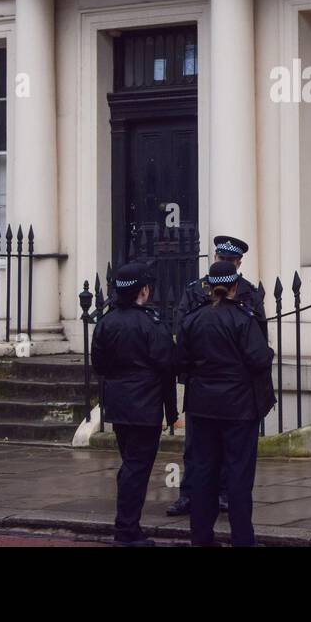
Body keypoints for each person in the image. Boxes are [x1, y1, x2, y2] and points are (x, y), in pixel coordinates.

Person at [176, 259, 275, 547]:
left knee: (203, 473)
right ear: (234, 286)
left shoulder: (193, 319)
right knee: (238, 476)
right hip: (239, 408)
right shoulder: (243, 319)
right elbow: (259, 359)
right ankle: (243, 539)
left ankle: (201, 538)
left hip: (202, 406)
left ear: (209, 286)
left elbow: (180, 361)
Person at [167, 234, 267, 517]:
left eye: (230, 261)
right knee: (196, 447)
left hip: (237, 386)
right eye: (221, 259)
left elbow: (259, 340)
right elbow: (183, 330)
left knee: (231, 449)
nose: (225, 264)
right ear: (215, 259)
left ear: (239, 262)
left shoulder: (249, 292)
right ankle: (190, 494)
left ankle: (225, 494)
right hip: (202, 381)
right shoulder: (195, 290)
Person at [90, 261, 178, 547]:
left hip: (118, 404)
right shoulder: (151, 324)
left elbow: (99, 365)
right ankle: (126, 531)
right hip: (145, 406)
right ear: (143, 291)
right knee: (136, 469)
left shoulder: (106, 322)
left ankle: (127, 527)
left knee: (130, 465)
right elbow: (168, 366)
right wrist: (171, 411)